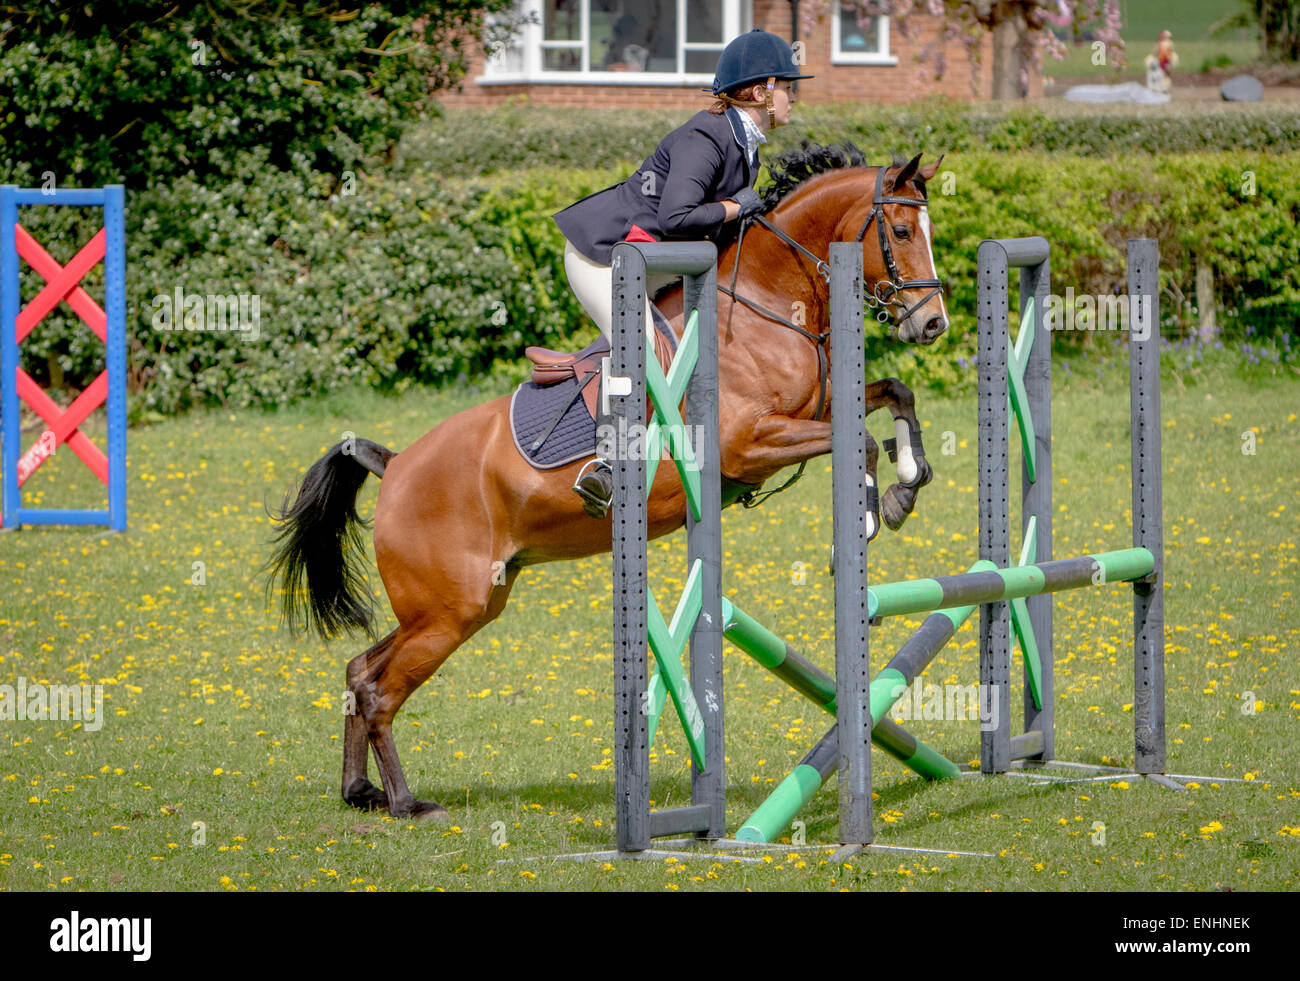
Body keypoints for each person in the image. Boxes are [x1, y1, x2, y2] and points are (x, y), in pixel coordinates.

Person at [552, 27, 813, 517]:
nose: (794, 96)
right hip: (603, 256)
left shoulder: (744, 143)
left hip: (655, 263)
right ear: (760, 92)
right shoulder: (706, 135)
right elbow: (677, 216)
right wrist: (737, 208)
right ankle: (607, 467)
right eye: (788, 87)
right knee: (642, 346)